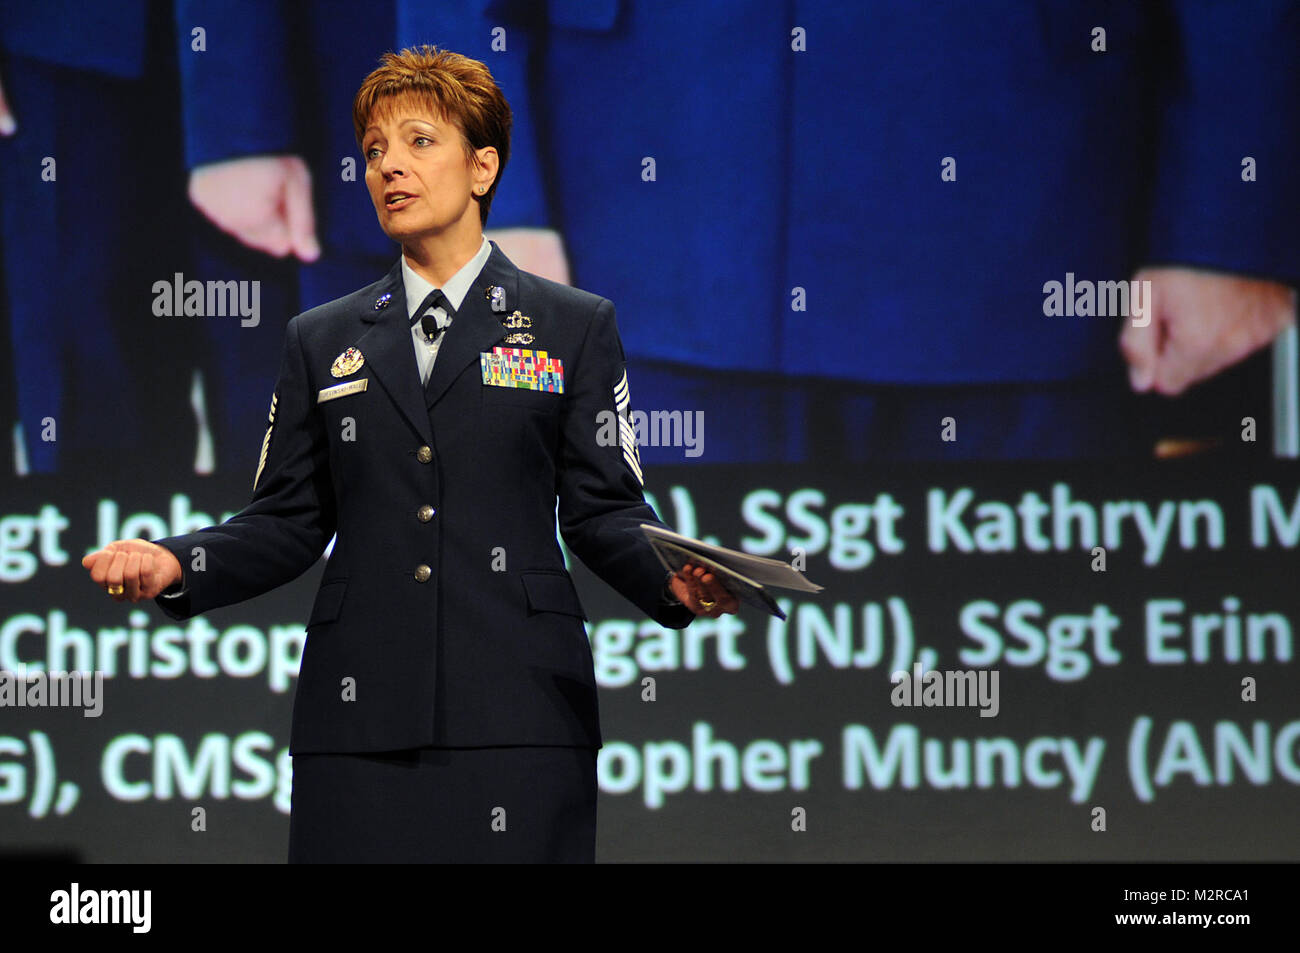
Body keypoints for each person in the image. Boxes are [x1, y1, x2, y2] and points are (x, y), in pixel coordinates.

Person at [81, 45, 738, 863]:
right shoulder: (320, 338)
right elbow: (286, 521)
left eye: (419, 141)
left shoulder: (573, 326)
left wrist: (670, 578)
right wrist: (179, 562)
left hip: (522, 715)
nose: (388, 166)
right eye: (373, 151)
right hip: (358, 722)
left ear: (482, 167)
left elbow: (603, 508)